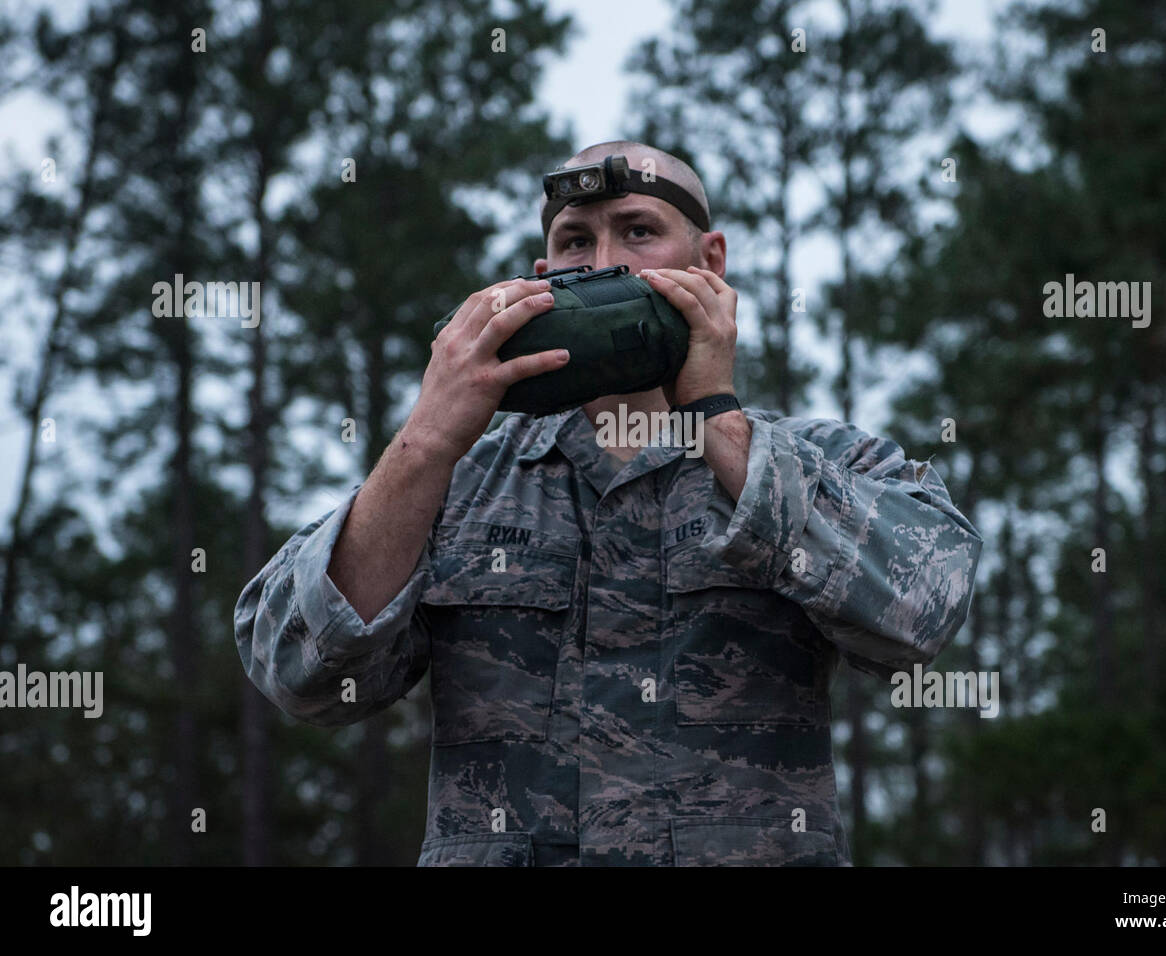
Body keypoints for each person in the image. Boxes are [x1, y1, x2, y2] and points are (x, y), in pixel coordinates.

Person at [234, 139, 982, 866]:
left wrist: (718, 421)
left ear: (710, 262)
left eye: (639, 231)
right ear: (540, 277)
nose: (604, 264)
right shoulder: (457, 482)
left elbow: (925, 608)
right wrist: (426, 440)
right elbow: (301, 674)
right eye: (575, 243)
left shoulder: (824, 461)